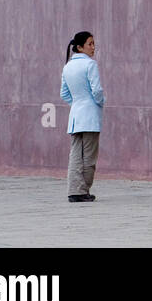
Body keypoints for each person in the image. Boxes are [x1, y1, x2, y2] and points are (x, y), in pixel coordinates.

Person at [60, 31, 105, 202]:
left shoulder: (67, 66)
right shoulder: (90, 65)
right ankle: (82, 190)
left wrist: (77, 103)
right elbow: (97, 90)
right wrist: (99, 102)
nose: (93, 47)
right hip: (90, 115)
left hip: (75, 115)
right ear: (80, 47)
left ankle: (73, 190)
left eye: (94, 44)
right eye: (90, 44)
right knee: (89, 156)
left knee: (75, 155)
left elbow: (64, 93)